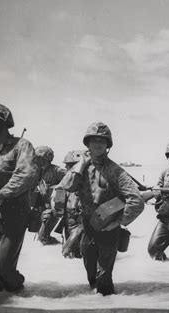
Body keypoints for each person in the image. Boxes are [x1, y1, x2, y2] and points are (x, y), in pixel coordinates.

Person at [58, 122, 144, 295]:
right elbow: (66, 187)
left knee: (104, 279)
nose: (97, 144)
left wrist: (119, 222)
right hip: (87, 227)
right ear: (87, 144)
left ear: (107, 146)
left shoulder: (114, 170)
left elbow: (136, 200)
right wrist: (81, 165)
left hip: (108, 229)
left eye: (102, 141)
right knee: (90, 276)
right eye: (93, 141)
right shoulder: (79, 167)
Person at [0, 103, 38, 292]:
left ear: (2, 122)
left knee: (2, 266)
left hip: (13, 214)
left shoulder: (22, 146)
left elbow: (26, 174)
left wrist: (0, 195)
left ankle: (20, 297)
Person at [34, 146, 67, 245]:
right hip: (40, 204)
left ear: (46, 159)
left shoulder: (57, 170)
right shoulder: (36, 171)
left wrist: (57, 188)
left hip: (54, 206)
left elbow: (70, 179)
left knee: (42, 237)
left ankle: (50, 239)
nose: (37, 160)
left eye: (39, 158)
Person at [58, 150, 85, 258]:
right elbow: (59, 192)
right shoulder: (69, 177)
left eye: (69, 165)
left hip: (79, 214)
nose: (66, 168)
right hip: (71, 213)